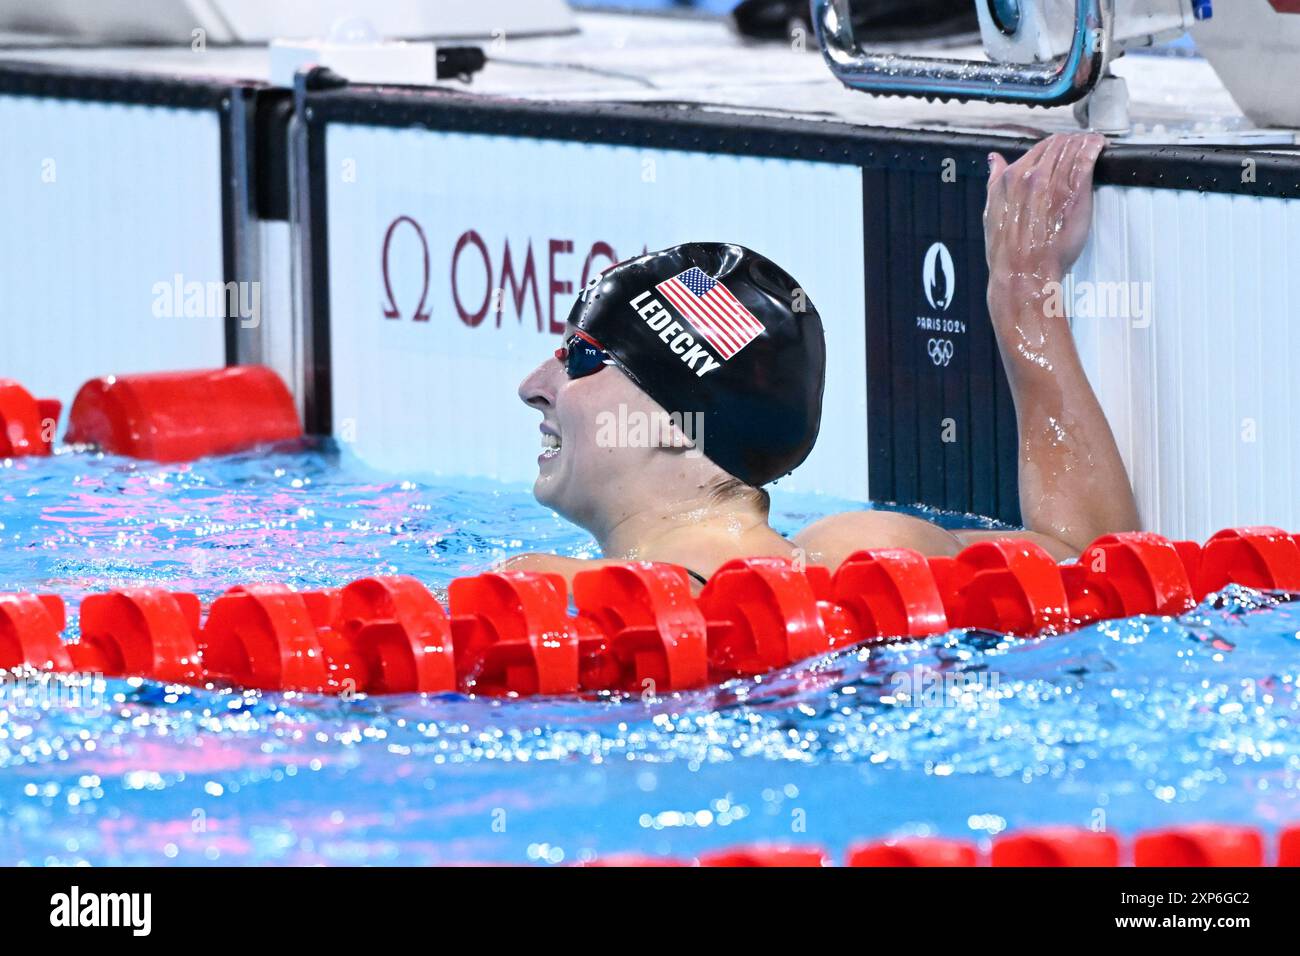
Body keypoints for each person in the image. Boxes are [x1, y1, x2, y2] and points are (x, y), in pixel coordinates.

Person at [504, 132, 1139, 591]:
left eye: (582, 359)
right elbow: (1101, 567)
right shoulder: (871, 556)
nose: (534, 387)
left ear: (675, 422)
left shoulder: (554, 595)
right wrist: (1025, 292)